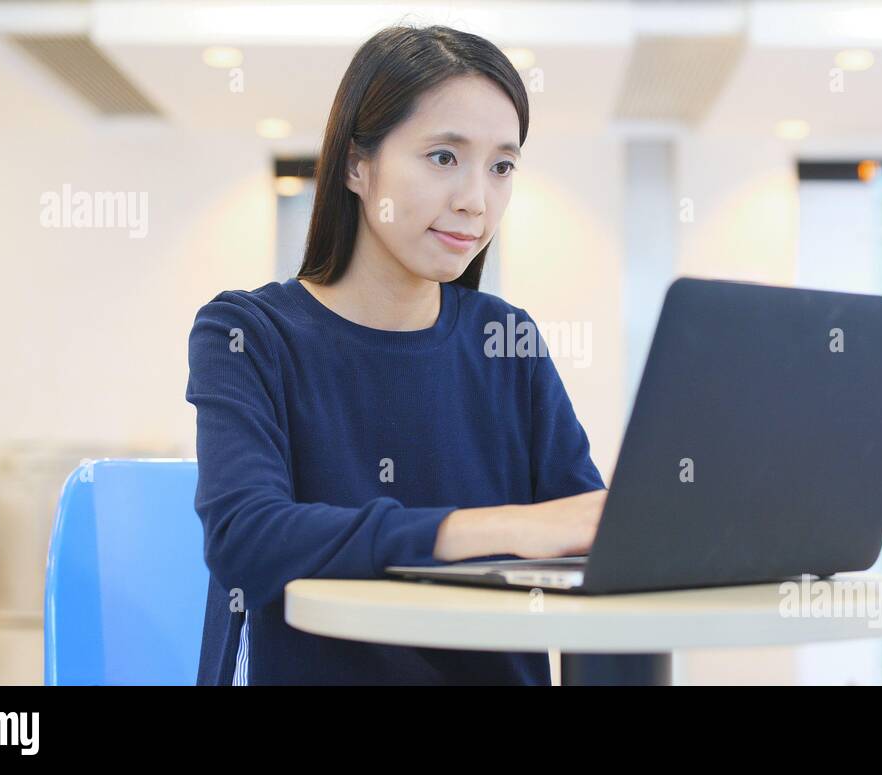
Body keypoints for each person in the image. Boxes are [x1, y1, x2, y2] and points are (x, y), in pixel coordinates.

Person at [185, 24, 607, 685]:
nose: (476, 200)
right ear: (357, 165)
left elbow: (589, 539)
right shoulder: (249, 332)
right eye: (444, 157)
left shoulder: (507, 340)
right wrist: (491, 530)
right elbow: (248, 537)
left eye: (501, 167)